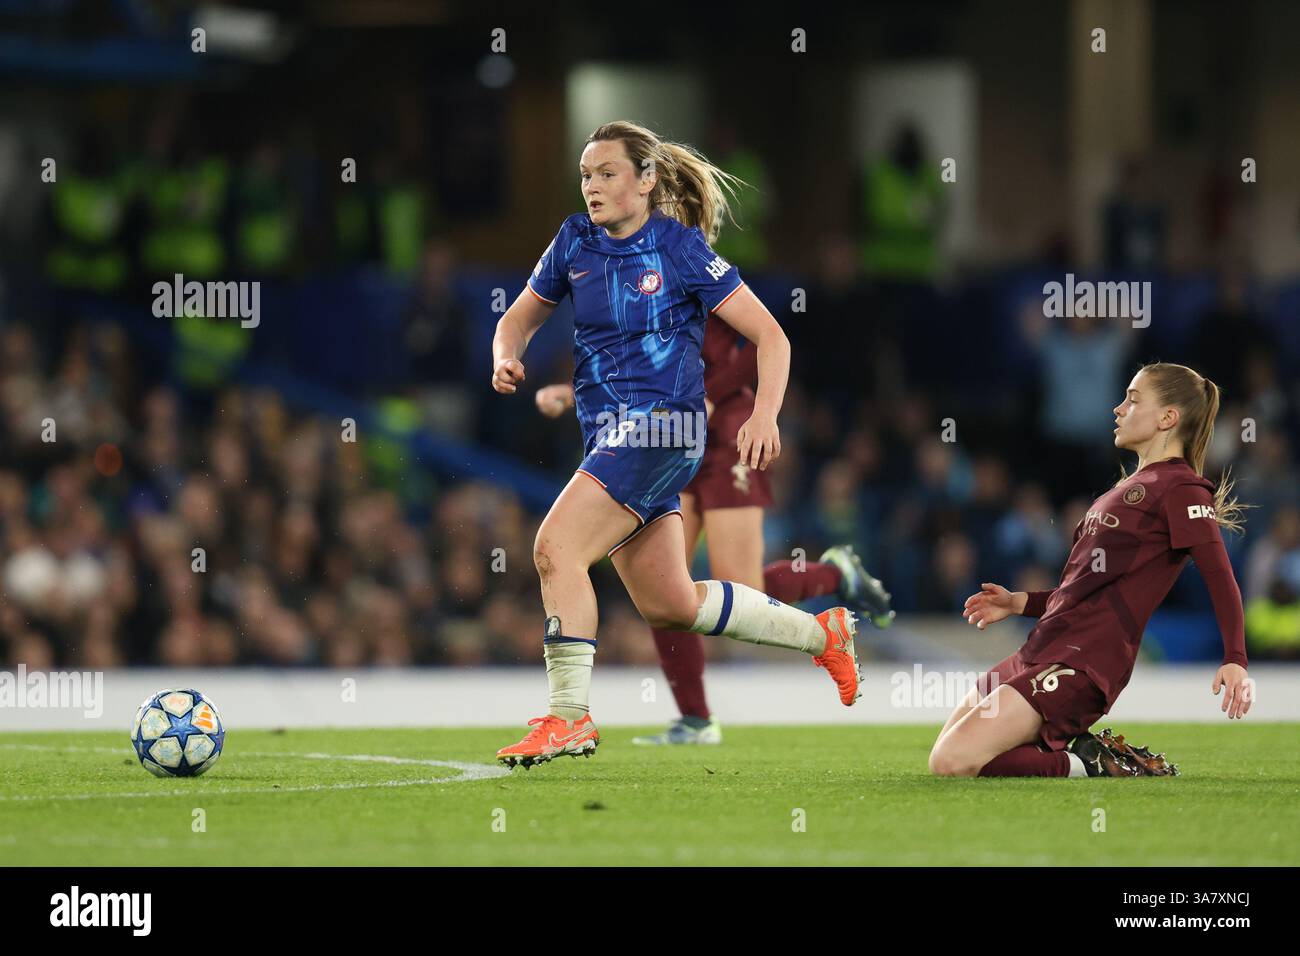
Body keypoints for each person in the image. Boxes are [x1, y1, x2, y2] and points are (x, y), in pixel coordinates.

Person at [490, 121, 863, 768]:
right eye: (586, 174)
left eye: (608, 173)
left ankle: (568, 719)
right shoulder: (574, 241)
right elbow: (519, 316)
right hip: (613, 437)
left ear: (646, 179)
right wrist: (505, 354)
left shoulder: (682, 250)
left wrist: (766, 416)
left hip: (666, 428)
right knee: (672, 604)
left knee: (555, 548)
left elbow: (773, 338)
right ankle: (821, 633)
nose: (593, 186)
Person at [535, 319, 893, 747]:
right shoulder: (640, 273)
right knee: (666, 587)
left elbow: (762, 343)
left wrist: (712, 395)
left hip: (727, 434)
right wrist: (577, 394)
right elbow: (641, 364)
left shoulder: (695, 266)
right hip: (667, 435)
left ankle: (834, 576)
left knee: (743, 588)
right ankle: (696, 717)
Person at [930, 362, 1251, 778]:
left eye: (1133, 400)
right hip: (1041, 649)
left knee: (951, 763)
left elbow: (1220, 577)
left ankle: (1092, 762)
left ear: (1168, 418)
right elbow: (1079, 589)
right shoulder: (1123, 490)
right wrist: (1018, 602)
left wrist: (1235, 659)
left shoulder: (1182, 488)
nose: (1118, 409)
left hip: (1083, 664)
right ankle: (1083, 753)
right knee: (947, 751)